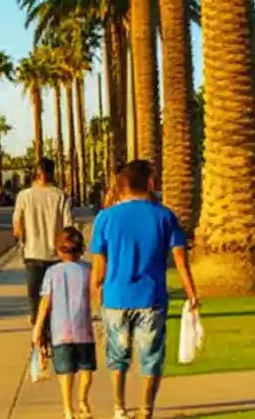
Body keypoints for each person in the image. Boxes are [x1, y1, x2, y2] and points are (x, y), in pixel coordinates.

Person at [89, 159, 198, 419]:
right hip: (151, 298)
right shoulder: (164, 216)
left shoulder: (105, 218)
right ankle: (146, 409)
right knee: (151, 357)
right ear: (149, 183)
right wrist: (192, 294)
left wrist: (96, 300)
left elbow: (98, 268)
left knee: (117, 356)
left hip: (115, 298)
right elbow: (181, 262)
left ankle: (119, 408)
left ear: (122, 184)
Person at [32, 226, 96, 419]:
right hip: (83, 328)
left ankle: (68, 409)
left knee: (65, 371)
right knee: (86, 369)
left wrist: (37, 328)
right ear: (82, 249)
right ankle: (83, 400)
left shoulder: (52, 272)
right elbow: (95, 296)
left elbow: (45, 302)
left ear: (58, 250)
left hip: (61, 331)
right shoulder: (88, 270)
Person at [13, 158, 74, 342]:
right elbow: (68, 228)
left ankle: (39, 339)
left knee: (35, 300)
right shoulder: (61, 196)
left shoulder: (24, 196)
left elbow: (17, 226)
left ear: (36, 173)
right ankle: (53, 336)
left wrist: (21, 239)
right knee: (55, 300)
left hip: (32, 254)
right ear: (52, 173)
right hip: (56, 256)